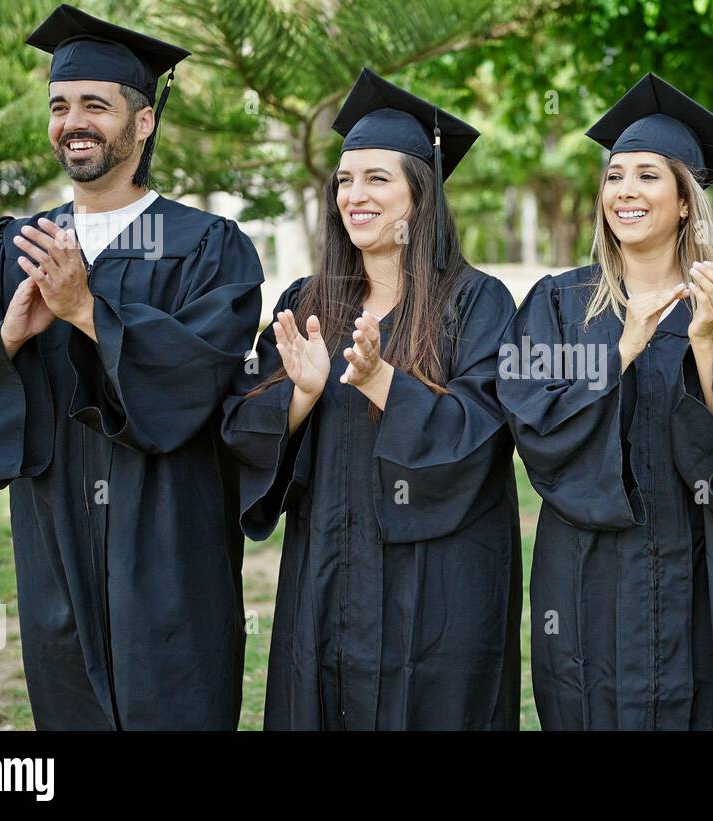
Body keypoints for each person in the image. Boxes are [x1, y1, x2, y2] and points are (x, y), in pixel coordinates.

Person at [0, 4, 263, 729]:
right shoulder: (15, 246)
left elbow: (201, 376)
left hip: (169, 538)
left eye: (95, 105)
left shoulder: (207, 245)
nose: (74, 121)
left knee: (177, 695)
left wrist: (88, 312)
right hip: (54, 543)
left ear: (143, 122)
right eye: (60, 105)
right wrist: (3, 338)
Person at [499, 73, 713, 729]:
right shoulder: (559, 305)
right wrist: (622, 351)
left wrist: (703, 344)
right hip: (591, 575)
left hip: (709, 568)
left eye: (647, 176)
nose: (625, 191)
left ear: (688, 200)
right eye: (614, 176)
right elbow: (538, 434)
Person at [221, 69, 522, 730]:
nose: (354, 195)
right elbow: (242, 425)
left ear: (422, 194)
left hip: (440, 586)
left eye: (377, 178)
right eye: (345, 180)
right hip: (325, 578)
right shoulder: (307, 302)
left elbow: (484, 435)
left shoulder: (477, 303)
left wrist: (383, 380)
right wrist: (299, 396)